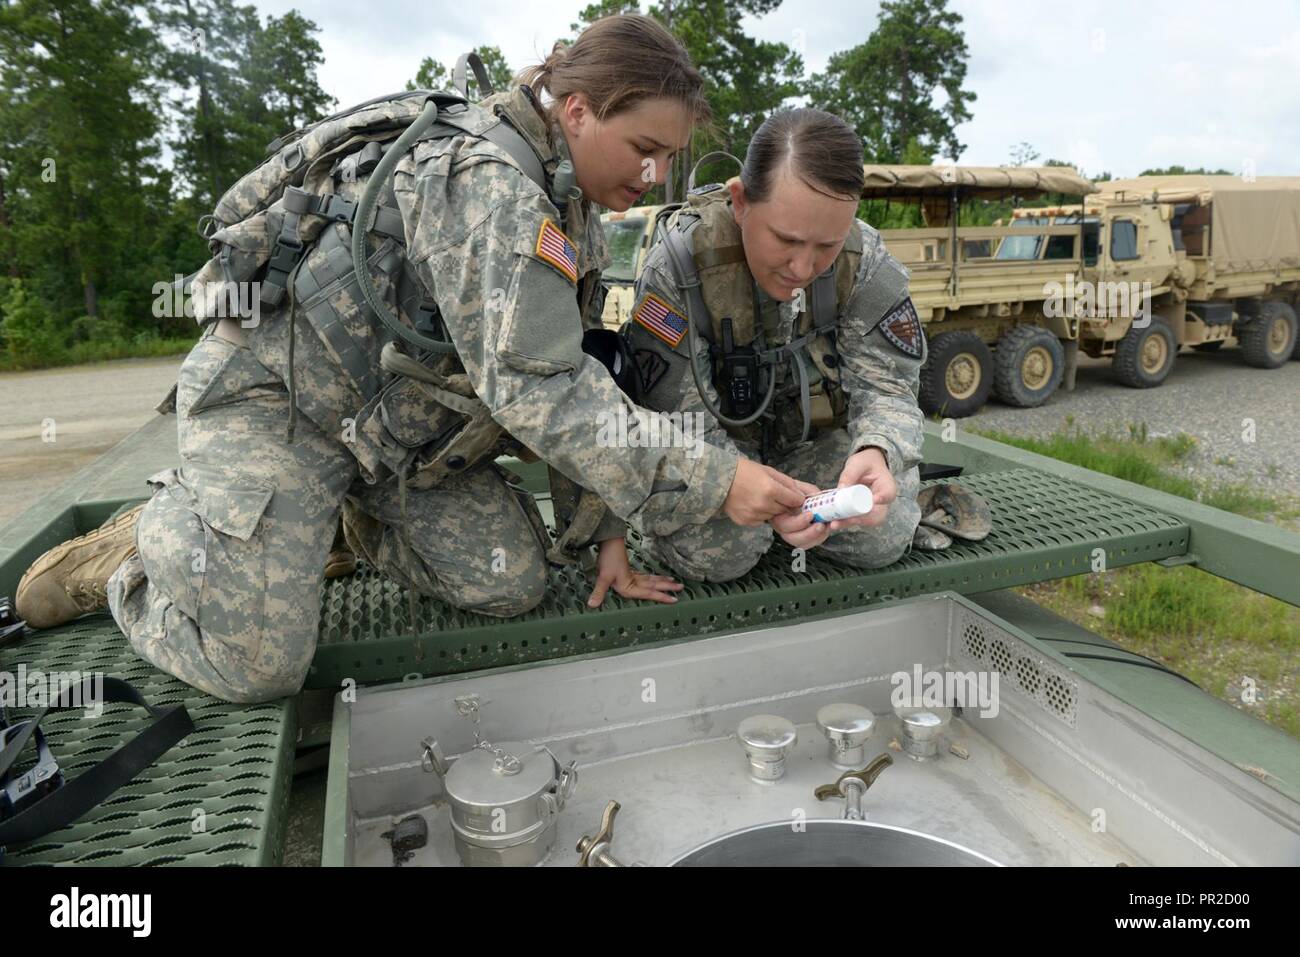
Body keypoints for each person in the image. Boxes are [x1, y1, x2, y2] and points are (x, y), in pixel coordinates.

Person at [14, 14, 809, 703]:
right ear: (577, 110)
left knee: (508, 582)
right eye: (645, 148)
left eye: (670, 158)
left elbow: (577, 367)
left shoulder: (570, 205)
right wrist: (716, 477)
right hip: (275, 407)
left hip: (387, 441)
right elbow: (544, 395)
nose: (656, 175)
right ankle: (145, 550)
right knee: (256, 667)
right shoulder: (492, 188)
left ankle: (326, 527)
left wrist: (603, 536)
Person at [621, 108, 927, 582]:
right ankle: (766, 530)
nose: (803, 269)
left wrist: (879, 450)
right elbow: (675, 421)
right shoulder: (679, 268)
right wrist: (734, 484)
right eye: (785, 240)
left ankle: (793, 526)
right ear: (741, 202)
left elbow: (890, 388)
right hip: (712, 453)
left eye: (826, 246)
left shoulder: (864, 261)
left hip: (804, 444)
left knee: (879, 535)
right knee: (722, 554)